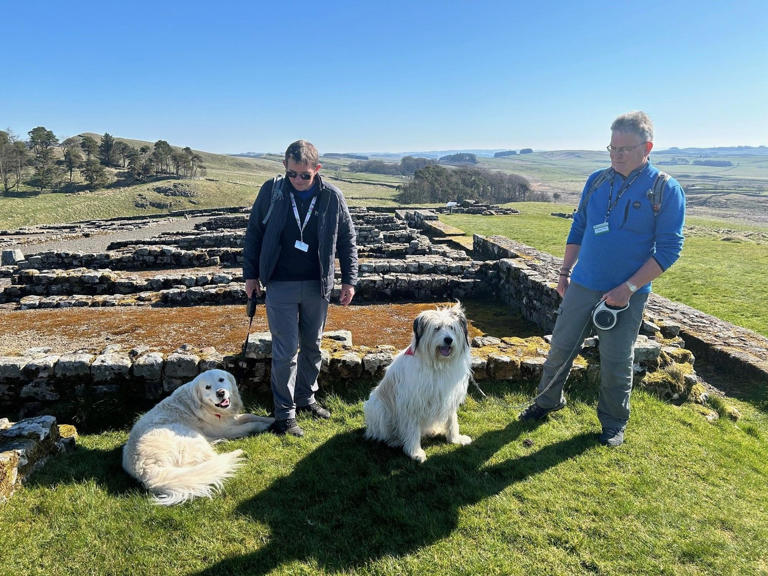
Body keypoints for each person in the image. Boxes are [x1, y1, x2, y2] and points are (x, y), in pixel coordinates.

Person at [519, 111, 685, 447]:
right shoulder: (597, 180)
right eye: (612, 147)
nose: (616, 154)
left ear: (647, 147)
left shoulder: (664, 189)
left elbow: (669, 250)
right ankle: (547, 402)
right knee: (561, 348)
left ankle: (613, 423)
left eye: (624, 148)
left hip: (626, 293)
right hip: (582, 283)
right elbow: (579, 226)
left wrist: (629, 288)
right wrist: (564, 273)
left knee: (616, 359)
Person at [243, 140, 358, 437]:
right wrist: (251, 276)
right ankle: (284, 414)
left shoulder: (332, 196)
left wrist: (349, 280)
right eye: (292, 173)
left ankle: (306, 399)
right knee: (285, 351)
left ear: (317, 170)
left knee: (313, 346)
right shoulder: (272, 191)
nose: (297, 180)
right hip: (279, 283)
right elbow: (254, 232)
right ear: (285, 167)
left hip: (317, 285)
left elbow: (347, 239)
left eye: (304, 175)